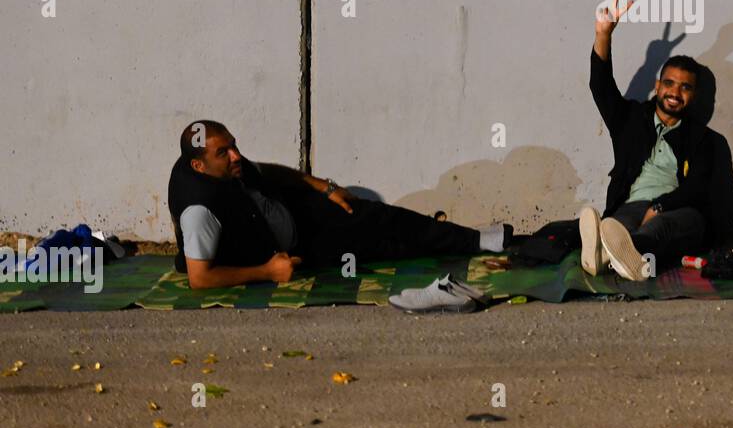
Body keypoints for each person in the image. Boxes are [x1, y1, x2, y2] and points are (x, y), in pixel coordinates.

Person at [167, 121, 510, 300]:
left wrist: (323, 187)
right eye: (223, 153)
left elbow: (267, 171)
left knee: (372, 215)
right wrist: (267, 272)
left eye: (234, 146)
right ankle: (477, 242)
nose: (236, 156)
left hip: (292, 214)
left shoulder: (230, 166)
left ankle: (477, 239)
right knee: (380, 242)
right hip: (295, 249)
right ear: (198, 166)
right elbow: (200, 279)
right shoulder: (199, 210)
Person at [580, 0, 733, 280]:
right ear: (657, 85)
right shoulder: (630, 120)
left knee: (658, 228)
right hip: (631, 206)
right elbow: (601, 87)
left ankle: (624, 253)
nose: (675, 93)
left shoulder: (703, 138)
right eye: (669, 83)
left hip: (682, 214)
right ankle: (606, 252)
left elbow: (697, 188)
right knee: (617, 224)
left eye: (685, 87)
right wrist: (603, 34)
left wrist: (660, 206)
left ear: (693, 95)